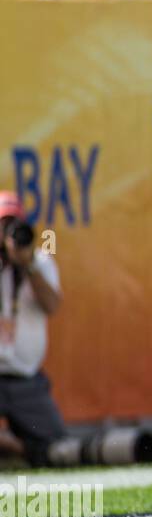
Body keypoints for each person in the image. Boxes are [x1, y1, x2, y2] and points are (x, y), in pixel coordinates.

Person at [0, 191, 66, 468]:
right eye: (4, 226)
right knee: (41, 449)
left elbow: (52, 305)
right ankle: (15, 444)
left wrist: (26, 265)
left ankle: (16, 443)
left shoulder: (39, 262)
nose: (10, 234)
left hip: (26, 379)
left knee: (56, 448)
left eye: (15, 225)